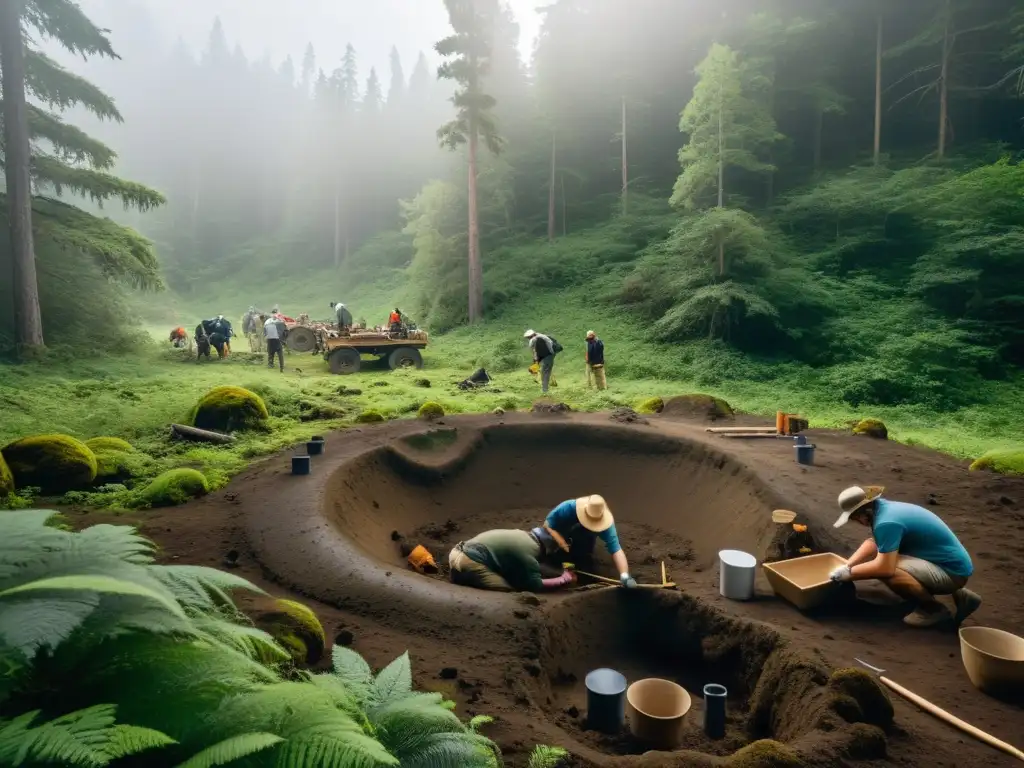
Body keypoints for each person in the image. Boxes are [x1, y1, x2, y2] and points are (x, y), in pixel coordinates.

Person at [829, 485, 981, 628]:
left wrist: (849, 574)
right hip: (948, 563)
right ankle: (960, 596)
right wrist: (848, 565)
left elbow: (885, 568)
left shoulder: (886, 522)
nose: (857, 522)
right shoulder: (885, 508)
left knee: (889, 570)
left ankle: (933, 609)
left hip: (952, 572)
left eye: (855, 517)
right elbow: (874, 543)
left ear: (865, 512)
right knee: (883, 558)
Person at [543, 495, 637, 588]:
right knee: (548, 558)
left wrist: (624, 575)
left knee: (585, 566)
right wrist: (561, 542)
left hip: (583, 544)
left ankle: (576, 567)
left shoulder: (607, 526)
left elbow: (616, 550)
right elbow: (547, 525)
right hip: (557, 539)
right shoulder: (568, 508)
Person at [449, 526, 577, 593]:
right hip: (468, 561)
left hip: (456, 552)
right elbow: (534, 585)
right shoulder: (528, 554)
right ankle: (464, 578)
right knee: (506, 589)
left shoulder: (520, 534)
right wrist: (564, 579)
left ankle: (461, 574)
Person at [524, 329, 558, 394]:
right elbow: (550, 344)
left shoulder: (533, 340)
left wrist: (536, 360)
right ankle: (548, 385)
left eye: (528, 337)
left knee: (545, 371)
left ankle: (545, 390)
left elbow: (534, 351)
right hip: (548, 355)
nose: (528, 339)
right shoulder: (542, 336)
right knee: (545, 370)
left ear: (529, 336)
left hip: (547, 356)